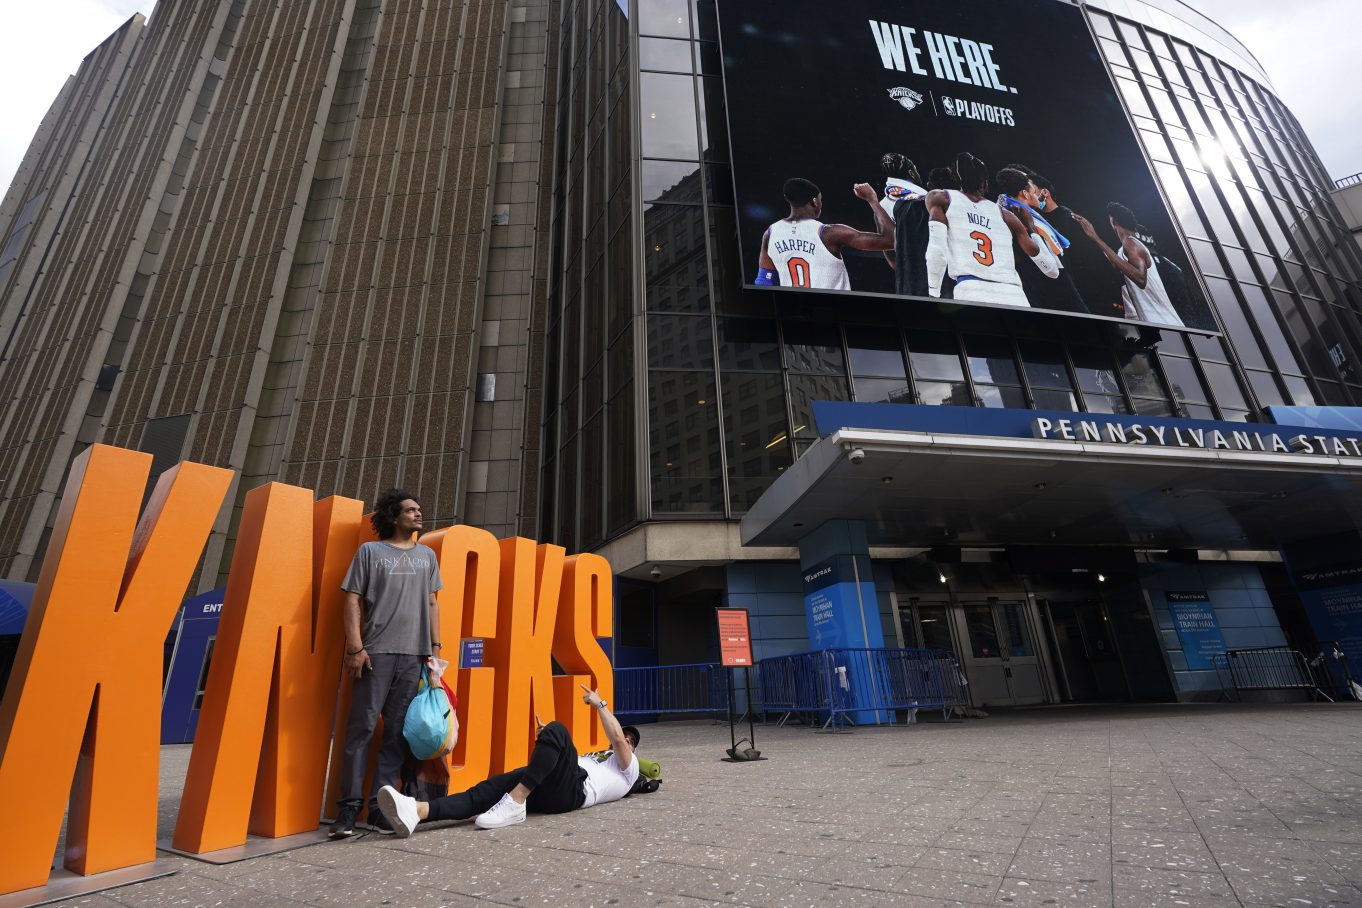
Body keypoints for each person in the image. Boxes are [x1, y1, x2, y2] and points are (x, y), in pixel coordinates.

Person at [375, 685, 640, 836]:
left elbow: (617, 737)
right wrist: (546, 739)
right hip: (551, 787)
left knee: (559, 729)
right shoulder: (596, 757)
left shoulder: (629, 770)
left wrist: (600, 704)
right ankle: (418, 812)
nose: (625, 741)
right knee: (483, 793)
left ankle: (516, 800)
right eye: (626, 736)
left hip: (573, 793)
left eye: (632, 741)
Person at [329, 489, 444, 838]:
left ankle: (379, 809)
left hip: (415, 657)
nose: (418, 513)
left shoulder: (427, 556)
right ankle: (348, 810)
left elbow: (432, 604)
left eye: (420, 509)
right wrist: (354, 647)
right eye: (410, 510)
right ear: (394, 516)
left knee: (397, 734)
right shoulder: (370, 552)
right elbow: (351, 600)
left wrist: (435, 650)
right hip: (375, 653)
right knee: (361, 728)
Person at [924, 153, 1058, 307]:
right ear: (985, 184)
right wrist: (1031, 227)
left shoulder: (941, 198)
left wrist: (933, 294)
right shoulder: (1006, 216)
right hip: (1012, 294)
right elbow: (1051, 270)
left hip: (971, 289)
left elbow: (937, 252)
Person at [755, 177, 893, 290]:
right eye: (821, 200)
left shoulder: (771, 233)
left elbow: (764, 280)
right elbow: (891, 240)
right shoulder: (829, 233)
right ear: (814, 201)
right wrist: (872, 200)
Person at [1023, 168, 1123, 310]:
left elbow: (1089, 257)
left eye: (1031, 189)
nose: (1028, 194)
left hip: (1091, 293)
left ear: (1045, 192)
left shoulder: (1068, 217)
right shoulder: (1040, 220)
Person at [1073, 202, 1186, 327]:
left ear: (1114, 222)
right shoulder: (1123, 249)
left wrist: (1096, 238)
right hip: (1156, 323)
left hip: (1164, 322)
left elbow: (1141, 279)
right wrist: (1093, 237)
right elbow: (1117, 265)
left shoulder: (1132, 243)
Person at [994, 167, 1087, 313]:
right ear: (1025, 193)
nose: (1038, 196)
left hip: (1037, 291)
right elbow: (1052, 271)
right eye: (1034, 192)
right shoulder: (1027, 220)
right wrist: (1031, 227)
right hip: (1052, 290)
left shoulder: (1007, 210)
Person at [876, 153, 932, 296]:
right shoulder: (927, 199)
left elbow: (891, 256)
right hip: (928, 273)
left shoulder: (883, 204)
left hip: (909, 277)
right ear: (912, 172)